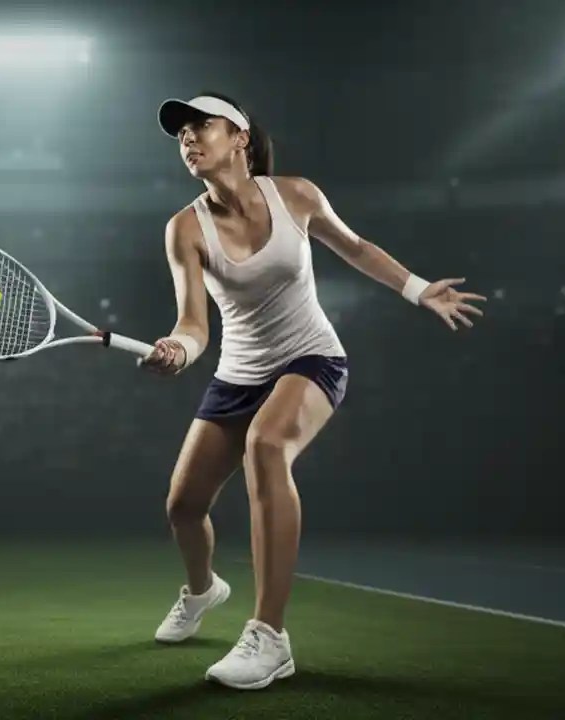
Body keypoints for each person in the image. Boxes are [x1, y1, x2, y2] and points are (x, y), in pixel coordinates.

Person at [139, 93, 485, 691]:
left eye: (201, 127)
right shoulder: (184, 229)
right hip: (237, 376)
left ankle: (269, 638)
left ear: (240, 137)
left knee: (267, 450)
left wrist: (419, 288)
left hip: (311, 357)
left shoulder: (295, 195)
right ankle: (202, 591)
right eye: (181, 135)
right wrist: (178, 350)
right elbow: (194, 325)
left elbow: (354, 248)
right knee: (182, 507)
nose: (188, 140)